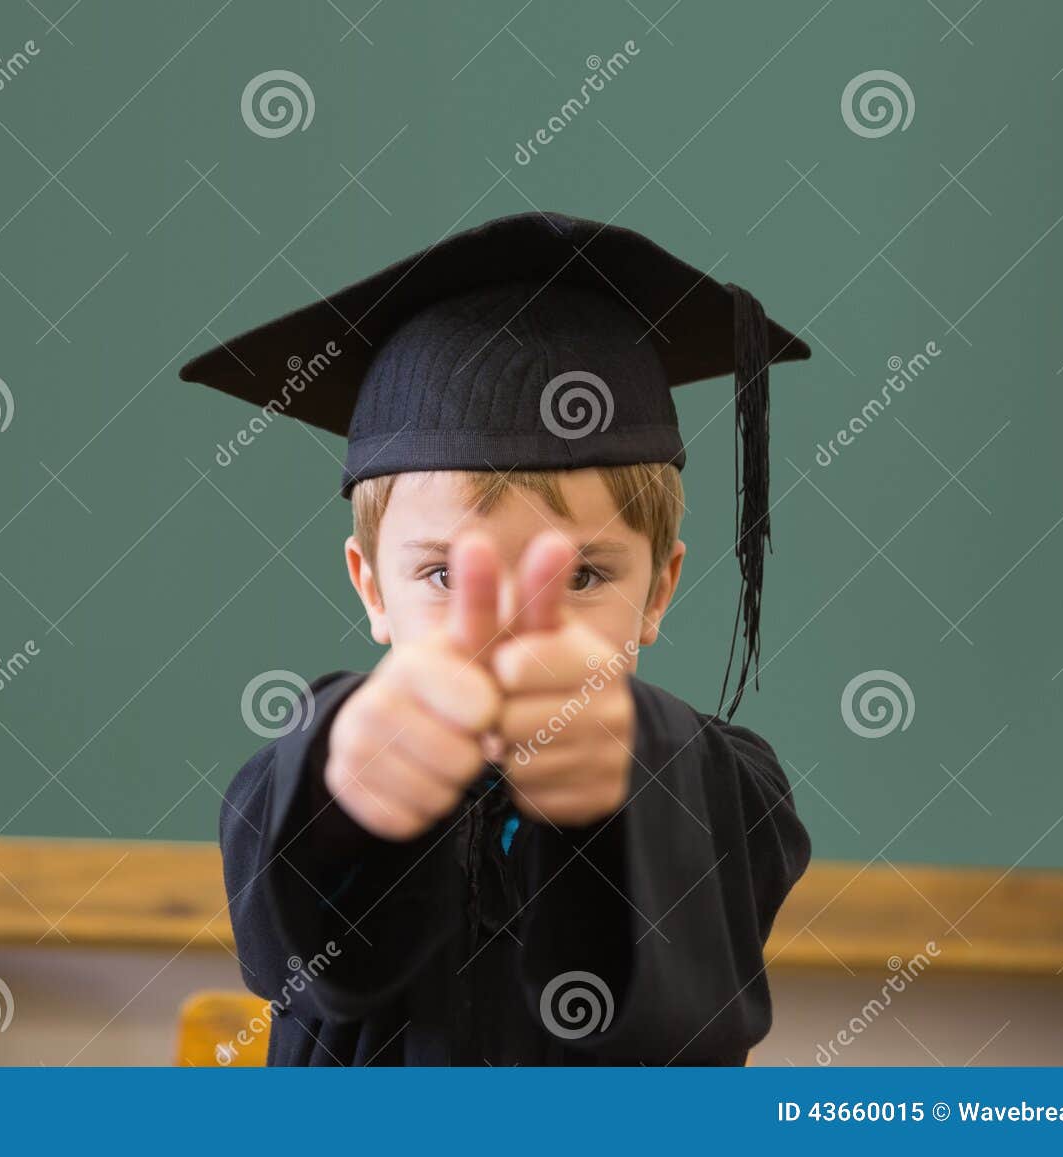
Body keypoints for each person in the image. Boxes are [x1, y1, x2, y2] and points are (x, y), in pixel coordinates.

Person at [183, 211, 813, 1065]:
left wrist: (626, 773)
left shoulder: (728, 787)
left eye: (582, 576)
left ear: (660, 588)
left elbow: (709, 935)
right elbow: (290, 920)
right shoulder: (294, 778)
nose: (517, 630)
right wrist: (349, 789)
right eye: (445, 575)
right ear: (371, 587)